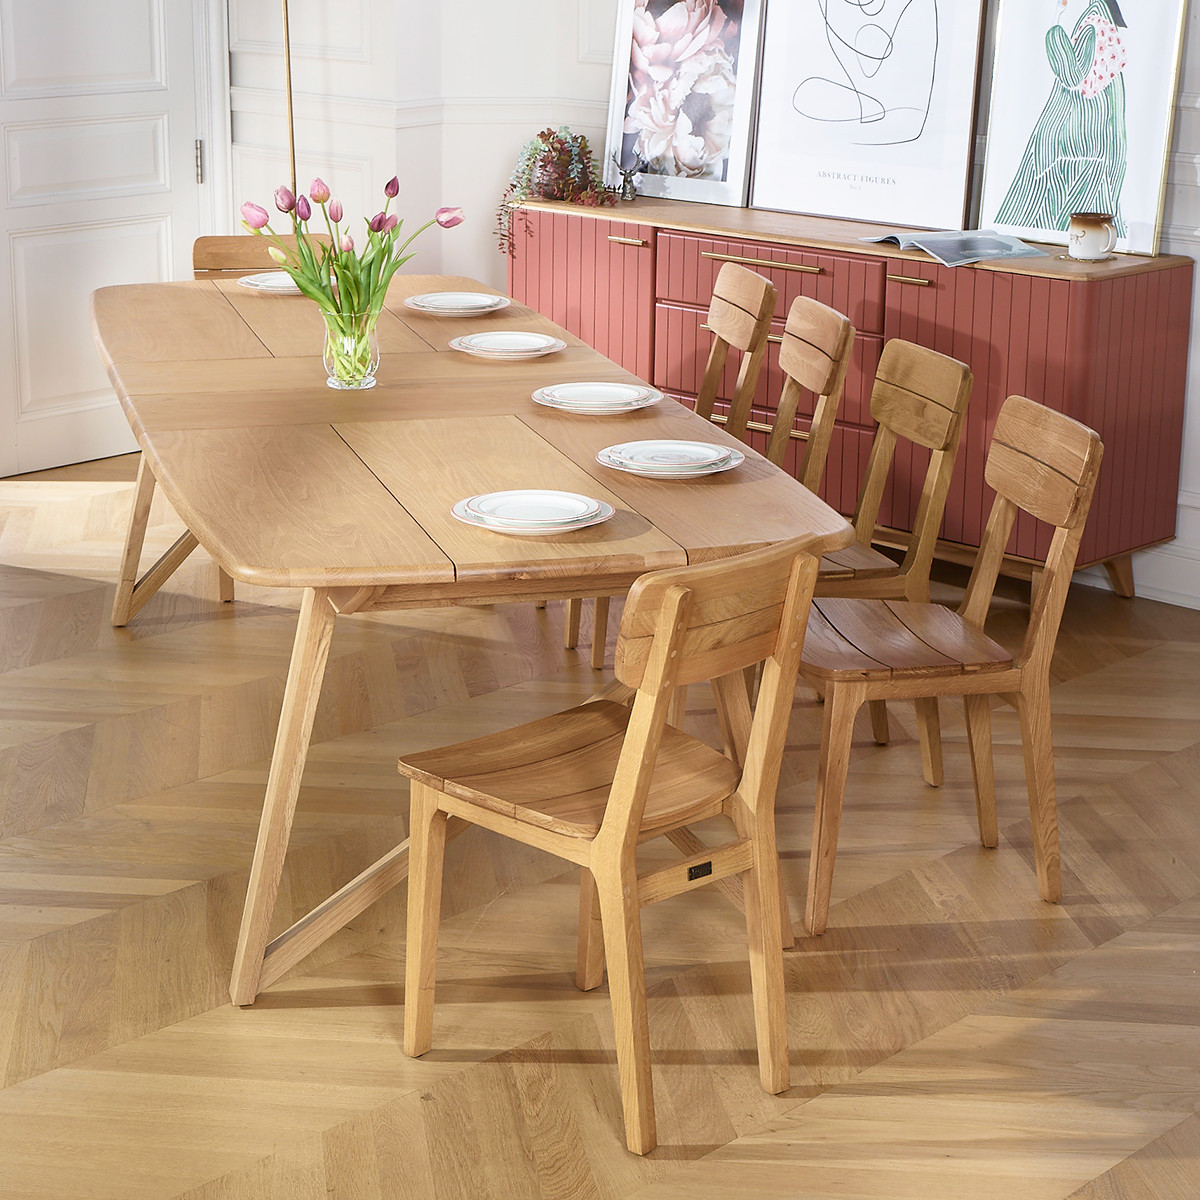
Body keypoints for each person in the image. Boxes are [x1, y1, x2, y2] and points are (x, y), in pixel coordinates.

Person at [994, 0, 1127, 235]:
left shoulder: (1093, 25)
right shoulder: (1104, 22)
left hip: (1075, 139)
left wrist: (1055, 24)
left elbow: (1072, 75)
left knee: (1048, 199)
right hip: (1096, 138)